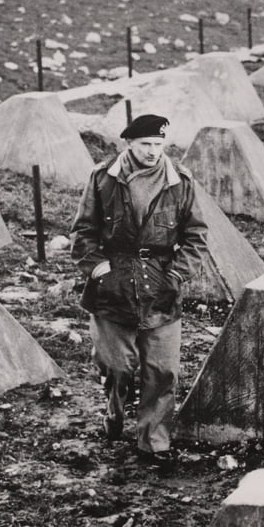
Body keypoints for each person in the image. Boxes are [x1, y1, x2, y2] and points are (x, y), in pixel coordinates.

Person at [70, 114, 208, 467]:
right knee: (118, 367)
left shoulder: (180, 181)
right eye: (146, 144)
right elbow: (83, 232)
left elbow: (196, 238)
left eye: (159, 145)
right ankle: (114, 407)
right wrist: (102, 272)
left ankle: (153, 442)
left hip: (160, 285)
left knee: (162, 372)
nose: (153, 152)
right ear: (128, 143)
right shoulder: (104, 178)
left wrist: (175, 277)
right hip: (114, 285)